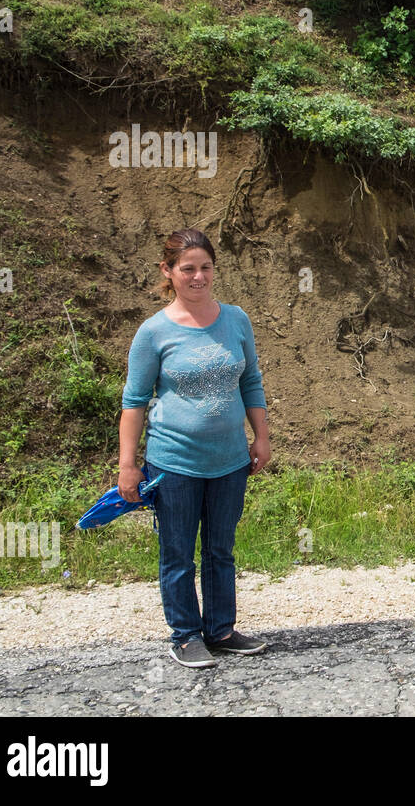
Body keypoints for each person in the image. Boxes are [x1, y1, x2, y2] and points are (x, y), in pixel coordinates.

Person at [117, 228, 272, 668]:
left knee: (221, 549)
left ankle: (220, 629)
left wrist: (260, 436)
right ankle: (185, 635)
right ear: (168, 271)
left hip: (229, 460)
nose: (198, 276)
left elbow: (251, 381)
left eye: (205, 267)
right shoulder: (153, 332)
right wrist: (128, 465)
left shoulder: (236, 320)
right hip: (174, 462)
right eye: (188, 269)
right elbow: (134, 402)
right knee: (178, 553)